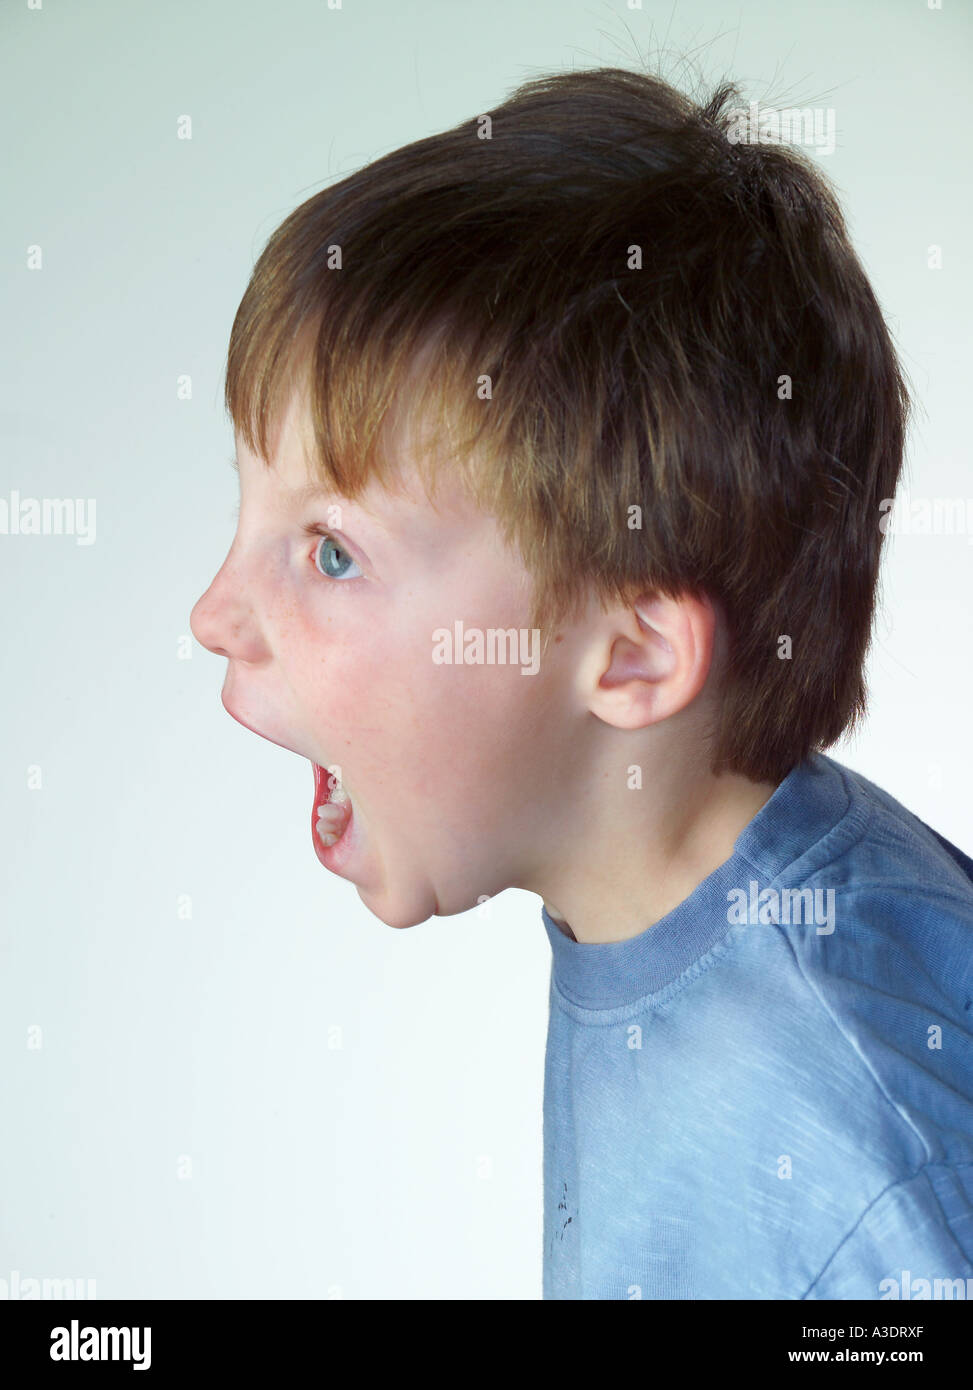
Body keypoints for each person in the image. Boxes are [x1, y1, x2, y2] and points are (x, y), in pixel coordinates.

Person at [190, 65, 973, 1299]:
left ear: (633, 657)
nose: (213, 615)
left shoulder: (851, 1138)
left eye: (333, 552)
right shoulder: (693, 911)